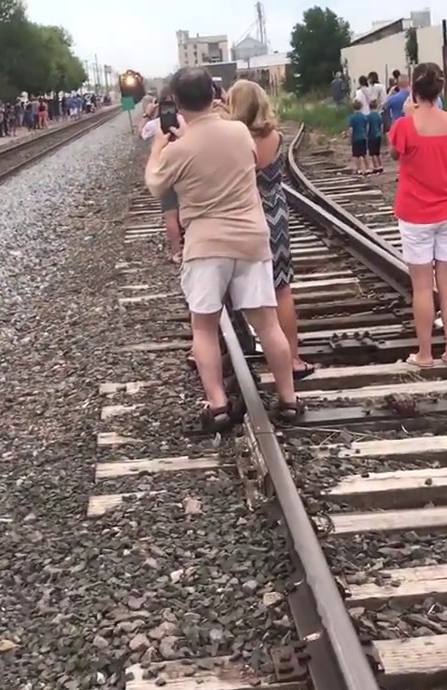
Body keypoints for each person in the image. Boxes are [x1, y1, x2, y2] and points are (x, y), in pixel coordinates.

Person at [145, 66, 303, 430]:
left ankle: (217, 405)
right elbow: (233, 158)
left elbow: (156, 184)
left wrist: (158, 147)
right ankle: (289, 399)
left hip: (206, 245)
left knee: (203, 325)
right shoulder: (240, 133)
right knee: (267, 322)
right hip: (251, 238)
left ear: (178, 103)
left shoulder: (178, 149)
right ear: (215, 95)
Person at [225, 79, 317, 380]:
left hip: (245, 215)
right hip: (275, 215)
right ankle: (292, 357)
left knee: (235, 285)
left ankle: (240, 347)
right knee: (282, 289)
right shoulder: (275, 136)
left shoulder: (235, 140)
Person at [389, 62, 447, 368]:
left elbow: (396, 152)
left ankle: (425, 354)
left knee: (422, 286)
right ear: (440, 88)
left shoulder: (405, 126)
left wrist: (407, 116)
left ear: (413, 90)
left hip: (416, 212)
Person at [140, 89, 186, 264]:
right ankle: (189, 246)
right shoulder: (184, 121)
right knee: (185, 209)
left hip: (165, 170)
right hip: (184, 169)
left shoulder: (155, 124)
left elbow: (141, 132)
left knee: (170, 213)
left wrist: (147, 113)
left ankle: (176, 251)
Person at [349, 100, 370, 175]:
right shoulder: (364, 116)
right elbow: (367, 127)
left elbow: (351, 130)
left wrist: (350, 139)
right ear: (361, 107)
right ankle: (368, 168)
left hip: (356, 138)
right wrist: (366, 134)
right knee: (364, 153)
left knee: (356, 154)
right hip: (363, 136)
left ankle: (359, 169)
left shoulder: (352, 118)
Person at [366, 100, 385, 175]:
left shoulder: (368, 117)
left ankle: (375, 166)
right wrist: (381, 133)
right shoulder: (379, 116)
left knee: (372, 152)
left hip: (371, 135)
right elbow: (382, 126)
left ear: (369, 107)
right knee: (378, 152)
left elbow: (367, 127)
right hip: (378, 135)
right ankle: (381, 165)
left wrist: (366, 134)